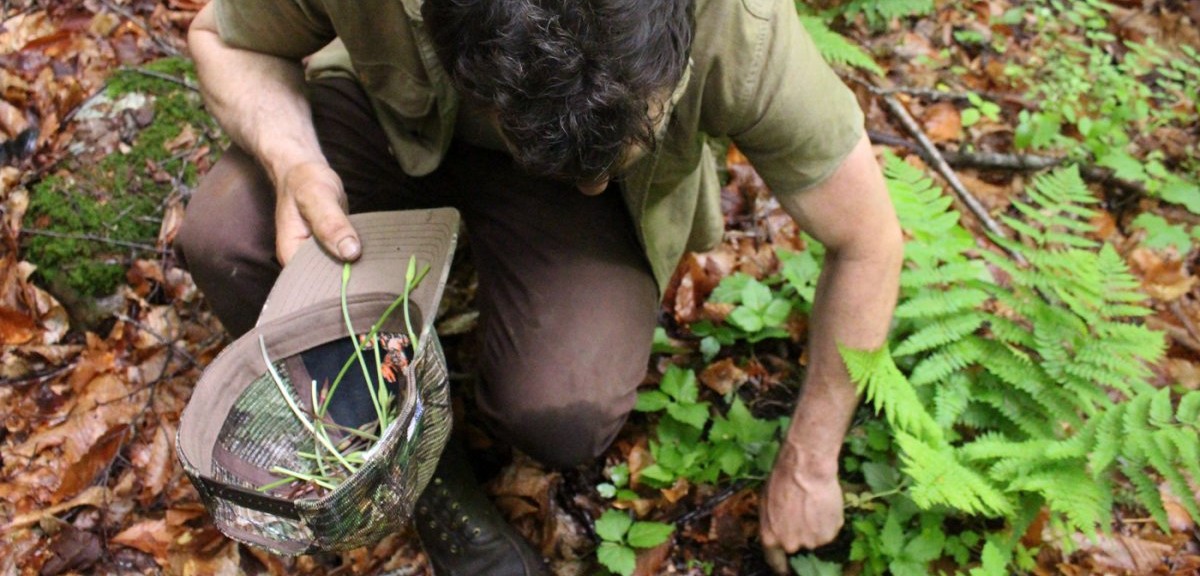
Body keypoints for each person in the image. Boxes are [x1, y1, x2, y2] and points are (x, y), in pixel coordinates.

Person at [175, 0, 903, 573]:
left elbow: (868, 240)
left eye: (619, 146)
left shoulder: (741, 28)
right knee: (224, 237)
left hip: (565, 209)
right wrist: (291, 159)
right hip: (386, 114)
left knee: (560, 409)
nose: (596, 170)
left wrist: (811, 459)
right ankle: (424, 480)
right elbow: (222, 35)